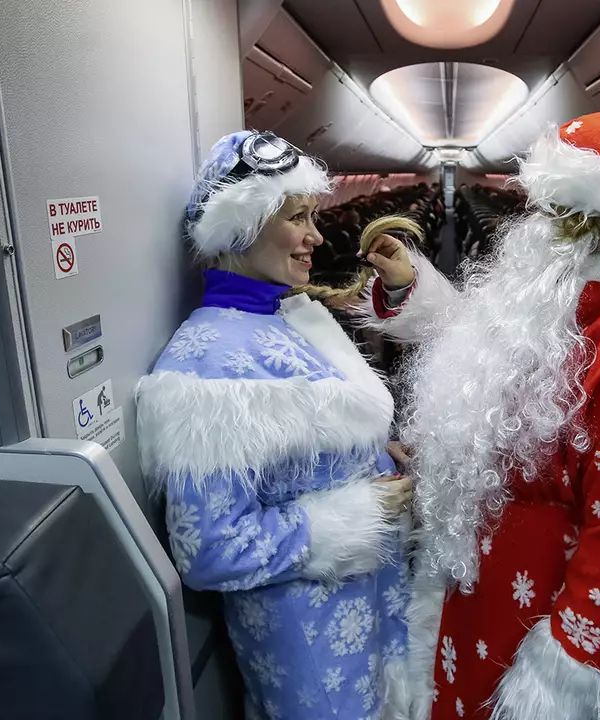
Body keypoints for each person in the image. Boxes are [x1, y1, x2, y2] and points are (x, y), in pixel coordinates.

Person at [358, 108, 600, 719]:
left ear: (591, 223)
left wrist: (560, 683)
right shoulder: (566, 302)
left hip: (534, 623)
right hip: (477, 594)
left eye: (548, 211)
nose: (528, 225)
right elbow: (484, 361)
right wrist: (415, 291)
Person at [135, 130, 419, 720]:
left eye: (315, 217)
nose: (317, 236)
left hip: (366, 613)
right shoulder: (207, 367)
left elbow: (299, 459)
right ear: (243, 226)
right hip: (307, 644)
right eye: (299, 218)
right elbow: (209, 548)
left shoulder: (289, 317)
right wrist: (360, 512)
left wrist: (373, 454)